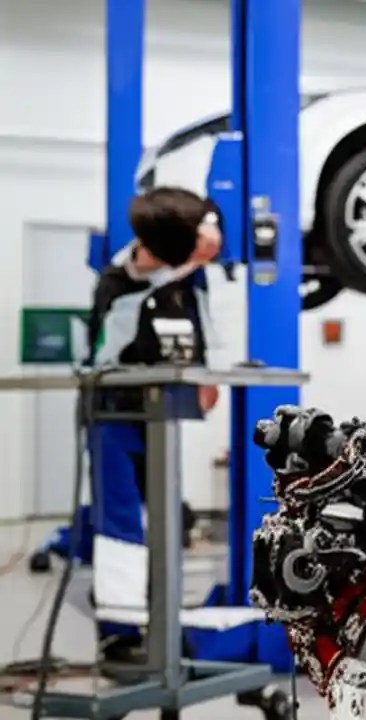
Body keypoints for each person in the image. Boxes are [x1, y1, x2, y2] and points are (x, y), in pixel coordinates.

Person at [85, 186, 223, 662]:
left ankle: (162, 621)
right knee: (121, 521)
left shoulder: (189, 282)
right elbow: (113, 340)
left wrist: (207, 369)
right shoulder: (115, 283)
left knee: (164, 519)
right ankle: (120, 630)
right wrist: (183, 266)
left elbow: (201, 323)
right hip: (114, 415)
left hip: (162, 415)